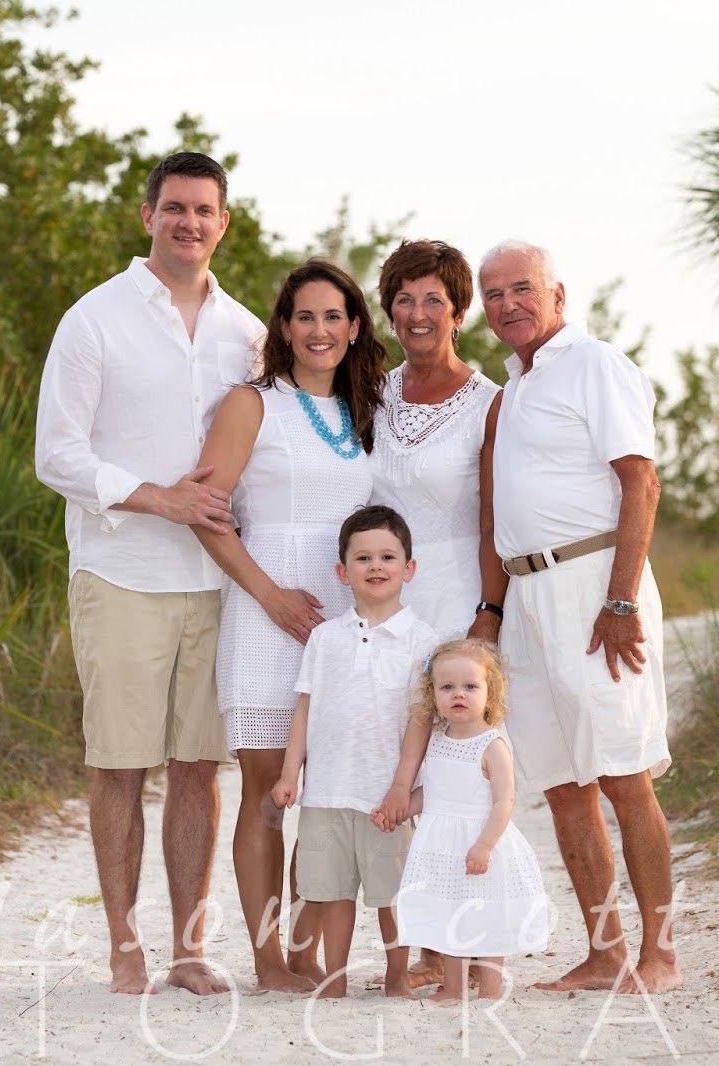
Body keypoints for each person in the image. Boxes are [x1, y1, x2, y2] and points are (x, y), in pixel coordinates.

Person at [34, 152, 262, 996]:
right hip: (120, 573)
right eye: (174, 208)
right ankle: (124, 943)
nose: (189, 223)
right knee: (121, 768)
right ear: (147, 216)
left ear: (223, 223)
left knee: (199, 770)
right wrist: (157, 500)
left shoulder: (247, 333)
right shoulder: (93, 319)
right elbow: (56, 453)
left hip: (214, 584)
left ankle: (190, 948)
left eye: (204, 210)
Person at [479, 239, 682, 995]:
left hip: (595, 585)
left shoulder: (595, 364)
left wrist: (622, 599)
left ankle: (661, 955)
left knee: (623, 774)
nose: (508, 305)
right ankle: (605, 952)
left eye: (522, 289)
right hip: (529, 596)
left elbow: (642, 483)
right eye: (494, 295)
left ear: (558, 294)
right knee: (564, 785)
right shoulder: (515, 388)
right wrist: (494, 610)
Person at [192, 259, 386, 992]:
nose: (319, 330)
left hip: (343, 623)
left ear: (355, 326)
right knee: (269, 789)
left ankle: (309, 950)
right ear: (282, 326)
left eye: (333, 316)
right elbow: (206, 514)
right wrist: (272, 597)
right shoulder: (252, 404)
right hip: (265, 612)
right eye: (304, 316)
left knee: (333, 792)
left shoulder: (364, 411)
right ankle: (269, 959)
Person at [367, 239, 506, 987]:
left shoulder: (489, 404)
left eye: (433, 301)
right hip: (386, 605)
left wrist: (487, 612)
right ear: (388, 309)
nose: (417, 314)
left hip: (456, 602)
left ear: (457, 311)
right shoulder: (373, 394)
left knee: (458, 785)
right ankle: (421, 950)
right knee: (400, 776)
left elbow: (493, 520)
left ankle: (476, 949)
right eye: (404, 299)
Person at [270, 505, 440, 999]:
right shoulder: (324, 638)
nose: (376, 566)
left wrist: (400, 789)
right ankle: (335, 977)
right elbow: (304, 710)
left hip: (383, 796)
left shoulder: (422, 640)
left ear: (408, 568)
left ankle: (395, 975)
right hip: (327, 791)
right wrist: (289, 775)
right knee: (331, 891)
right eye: (363, 557)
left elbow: (419, 720)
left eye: (388, 556)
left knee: (392, 892)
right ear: (343, 572)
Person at [388, 639, 549, 1001]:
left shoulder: (492, 744)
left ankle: (490, 989)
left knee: (486, 921)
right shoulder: (438, 740)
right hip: (441, 846)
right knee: (450, 917)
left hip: (479, 844)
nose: (458, 694)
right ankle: (455, 988)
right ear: (433, 695)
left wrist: (484, 845)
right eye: (447, 687)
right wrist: (401, 809)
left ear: (490, 694)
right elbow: (434, 791)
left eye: (470, 686)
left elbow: (503, 801)